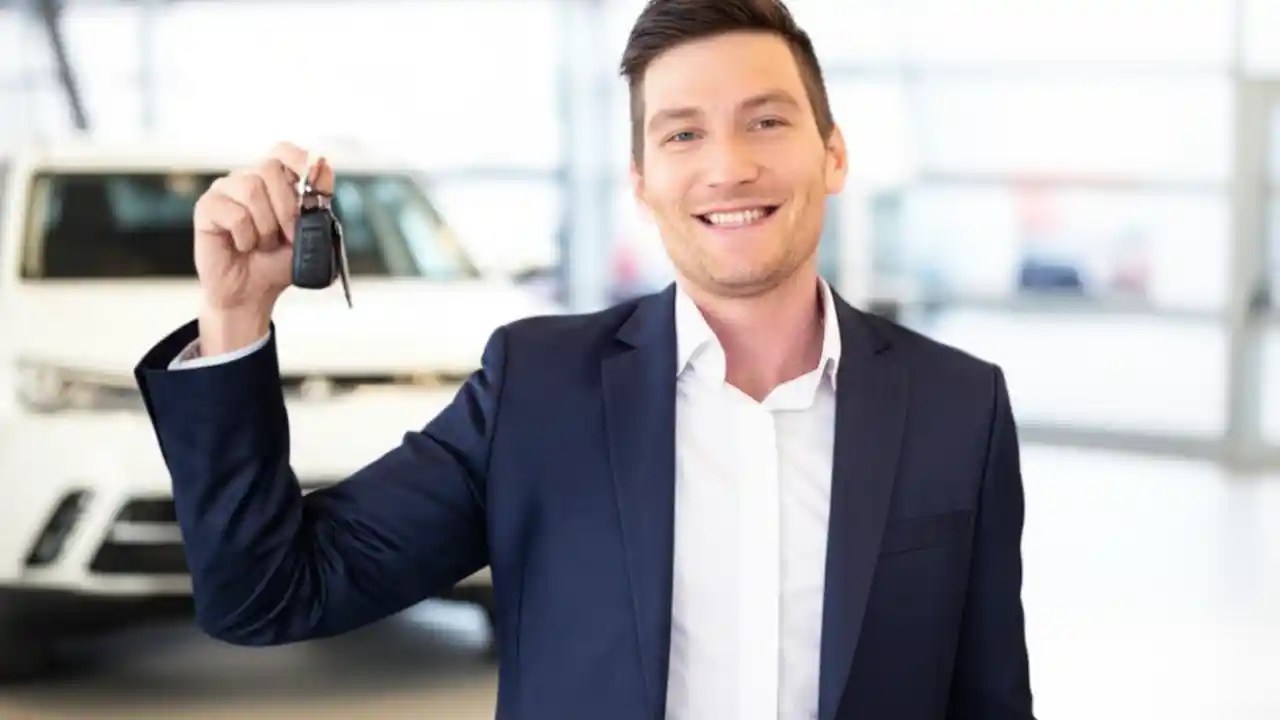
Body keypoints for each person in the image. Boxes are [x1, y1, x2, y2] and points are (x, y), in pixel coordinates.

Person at [133, 1, 1035, 718]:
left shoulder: (958, 408)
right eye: (683, 133)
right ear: (641, 180)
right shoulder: (541, 392)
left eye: (765, 121)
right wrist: (235, 316)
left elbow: (991, 699)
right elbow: (266, 595)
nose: (727, 167)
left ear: (832, 155)